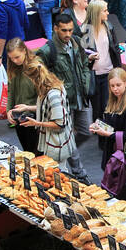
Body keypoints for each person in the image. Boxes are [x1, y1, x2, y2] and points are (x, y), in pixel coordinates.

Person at [20, 58, 90, 182]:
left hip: (57, 144)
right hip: (55, 143)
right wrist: (27, 107)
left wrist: (37, 123)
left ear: (32, 79)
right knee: (57, 174)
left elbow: (60, 123)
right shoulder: (50, 86)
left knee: (59, 174)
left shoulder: (53, 94)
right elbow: (47, 109)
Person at [42, 12, 94, 148]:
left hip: (80, 97)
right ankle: (76, 167)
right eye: (64, 30)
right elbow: (41, 78)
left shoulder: (76, 42)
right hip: (63, 101)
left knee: (86, 131)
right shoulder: (48, 50)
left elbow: (84, 63)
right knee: (67, 135)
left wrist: (85, 82)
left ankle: (69, 150)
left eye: (70, 30)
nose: (68, 34)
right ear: (55, 28)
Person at [92, 68, 126, 170]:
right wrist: (98, 125)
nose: (115, 89)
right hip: (112, 150)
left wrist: (107, 134)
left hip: (125, 153)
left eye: (118, 85)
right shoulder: (112, 101)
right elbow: (111, 124)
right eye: (112, 86)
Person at [84, 0, 121, 120]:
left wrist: (119, 71)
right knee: (97, 107)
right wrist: (89, 57)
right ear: (96, 13)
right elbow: (81, 54)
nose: (108, 13)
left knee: (109, 106)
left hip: (109, 72)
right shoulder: (86, 30)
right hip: (94, 74)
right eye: (105, 10)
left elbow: (115, 50)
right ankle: (99, 132)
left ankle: (108, 132)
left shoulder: (109, 27)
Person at [3, 38, 40, 153]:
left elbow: (45, 100)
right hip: (19, 117)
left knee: (37, 153)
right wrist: (9, 111)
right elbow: (11, 91)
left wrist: (29, 108)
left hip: (35, 118)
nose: (14, 61)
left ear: (24, 51)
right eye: (11, 58)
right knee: (27, 151)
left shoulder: (36, 68)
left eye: (17, 57)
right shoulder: (13, 68)